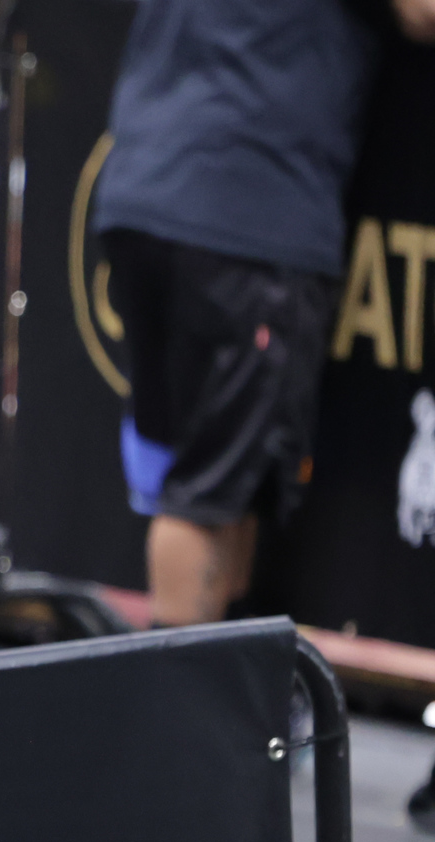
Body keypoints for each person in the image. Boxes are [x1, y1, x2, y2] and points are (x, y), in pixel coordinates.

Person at [95, 0, 435, 626]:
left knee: (226, 485)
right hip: (244, 217)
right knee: (205, 495)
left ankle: (223, 704)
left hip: (142, 197)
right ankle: (178, 713)